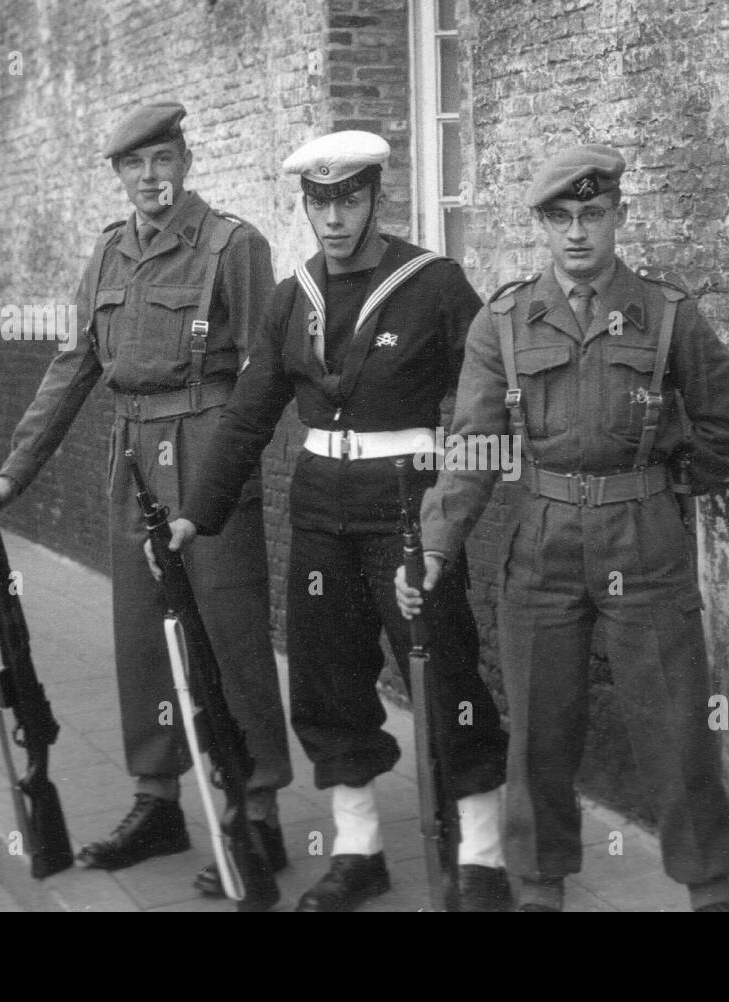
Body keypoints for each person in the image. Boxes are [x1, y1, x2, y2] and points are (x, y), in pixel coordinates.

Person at [397, 144, 729, 912]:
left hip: (646, 537)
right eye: (560, 217)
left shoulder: (667, 314)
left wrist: (662, 482)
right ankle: (537, 889)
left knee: (675, 727)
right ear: (540, 224)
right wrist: (436, 545)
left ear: (619, 216)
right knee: (538, 731)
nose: (576, 233)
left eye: (592, 215)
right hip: (544, 536)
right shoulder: (502, 321)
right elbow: (471, 450)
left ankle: (709, 890)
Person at [161, 130, 511, 912]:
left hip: (406, 511)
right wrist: (195, 517)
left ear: (375, 196)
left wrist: (458, 500)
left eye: (348, 196)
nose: (334, 215)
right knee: (325, 680)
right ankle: (358, 852)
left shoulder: (436, 285)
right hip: (319, 509)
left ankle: (482, 855)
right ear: (305, 205)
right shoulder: (292, 299)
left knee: (447, 672)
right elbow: (248, 420)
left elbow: (489, 400)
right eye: (318, 200)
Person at [0, 102, 291, 906]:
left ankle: (258, 813)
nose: (150, 179)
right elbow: (73, 363)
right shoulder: (109, 253)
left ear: (185, 158)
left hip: (209, 448)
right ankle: (158, 803)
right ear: (119, 175)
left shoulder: (233, 246)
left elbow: (264, 373)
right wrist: (15, 471)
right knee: (143, 639)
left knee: (230, 635)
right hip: (134, 456)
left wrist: (226, 473)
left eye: (162, 161)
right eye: (133, 167)